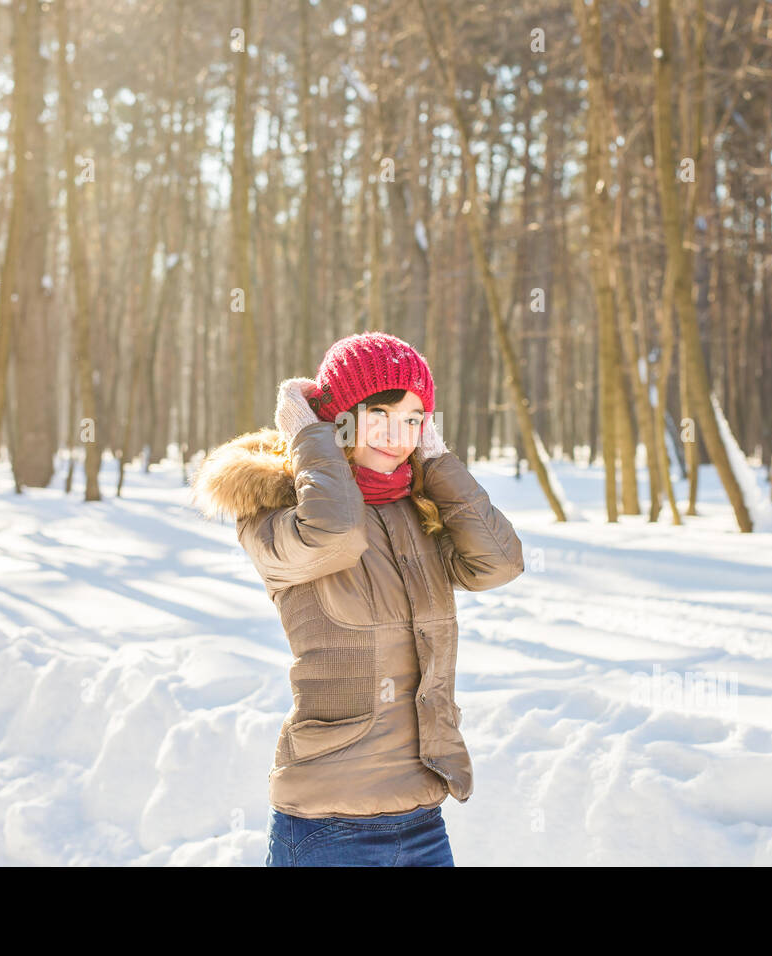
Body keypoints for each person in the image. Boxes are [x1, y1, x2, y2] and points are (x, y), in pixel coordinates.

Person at [191, 331, 525, 866]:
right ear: (338, 418)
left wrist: (436, 465)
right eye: (381, 414)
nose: (400, 435)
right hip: (327, 827)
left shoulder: (418, 513)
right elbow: (338, 534)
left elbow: (499, 563)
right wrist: (311, 438)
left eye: (416, 420)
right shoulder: (274, 511)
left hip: (423, 821)